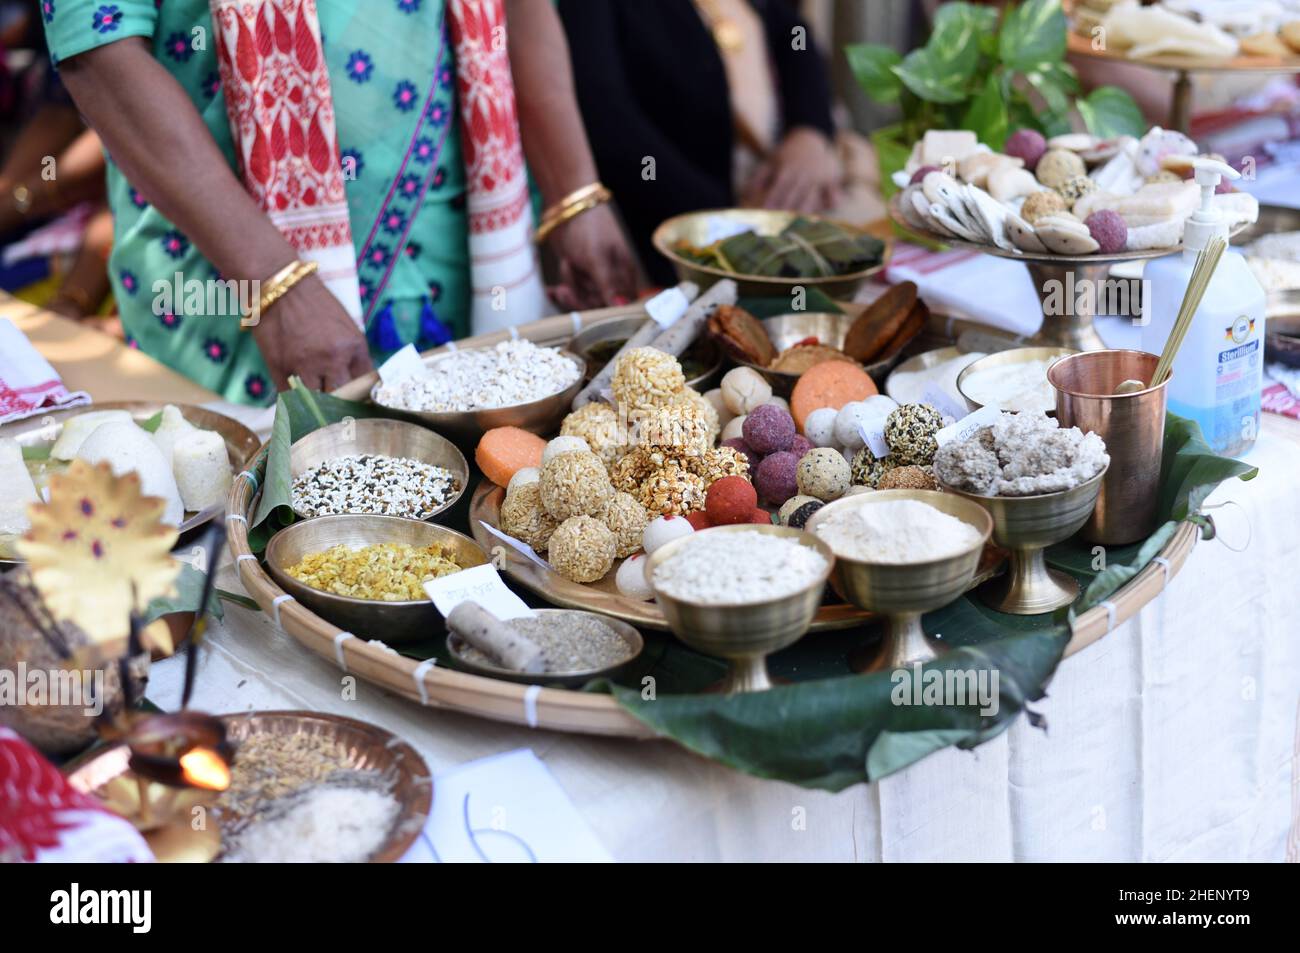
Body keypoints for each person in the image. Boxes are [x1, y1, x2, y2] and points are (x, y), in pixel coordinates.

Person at [41, 0, 637, 403]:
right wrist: (276, 286)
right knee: (256, 544)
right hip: (238, 283)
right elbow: (99, 51)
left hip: (466, 255)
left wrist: (573, 192)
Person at [556, 0, 842, 284]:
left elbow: (792, 36)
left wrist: (810, 131)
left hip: (788, 205)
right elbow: (609, 121)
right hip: (686, 243)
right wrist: (728, 219)